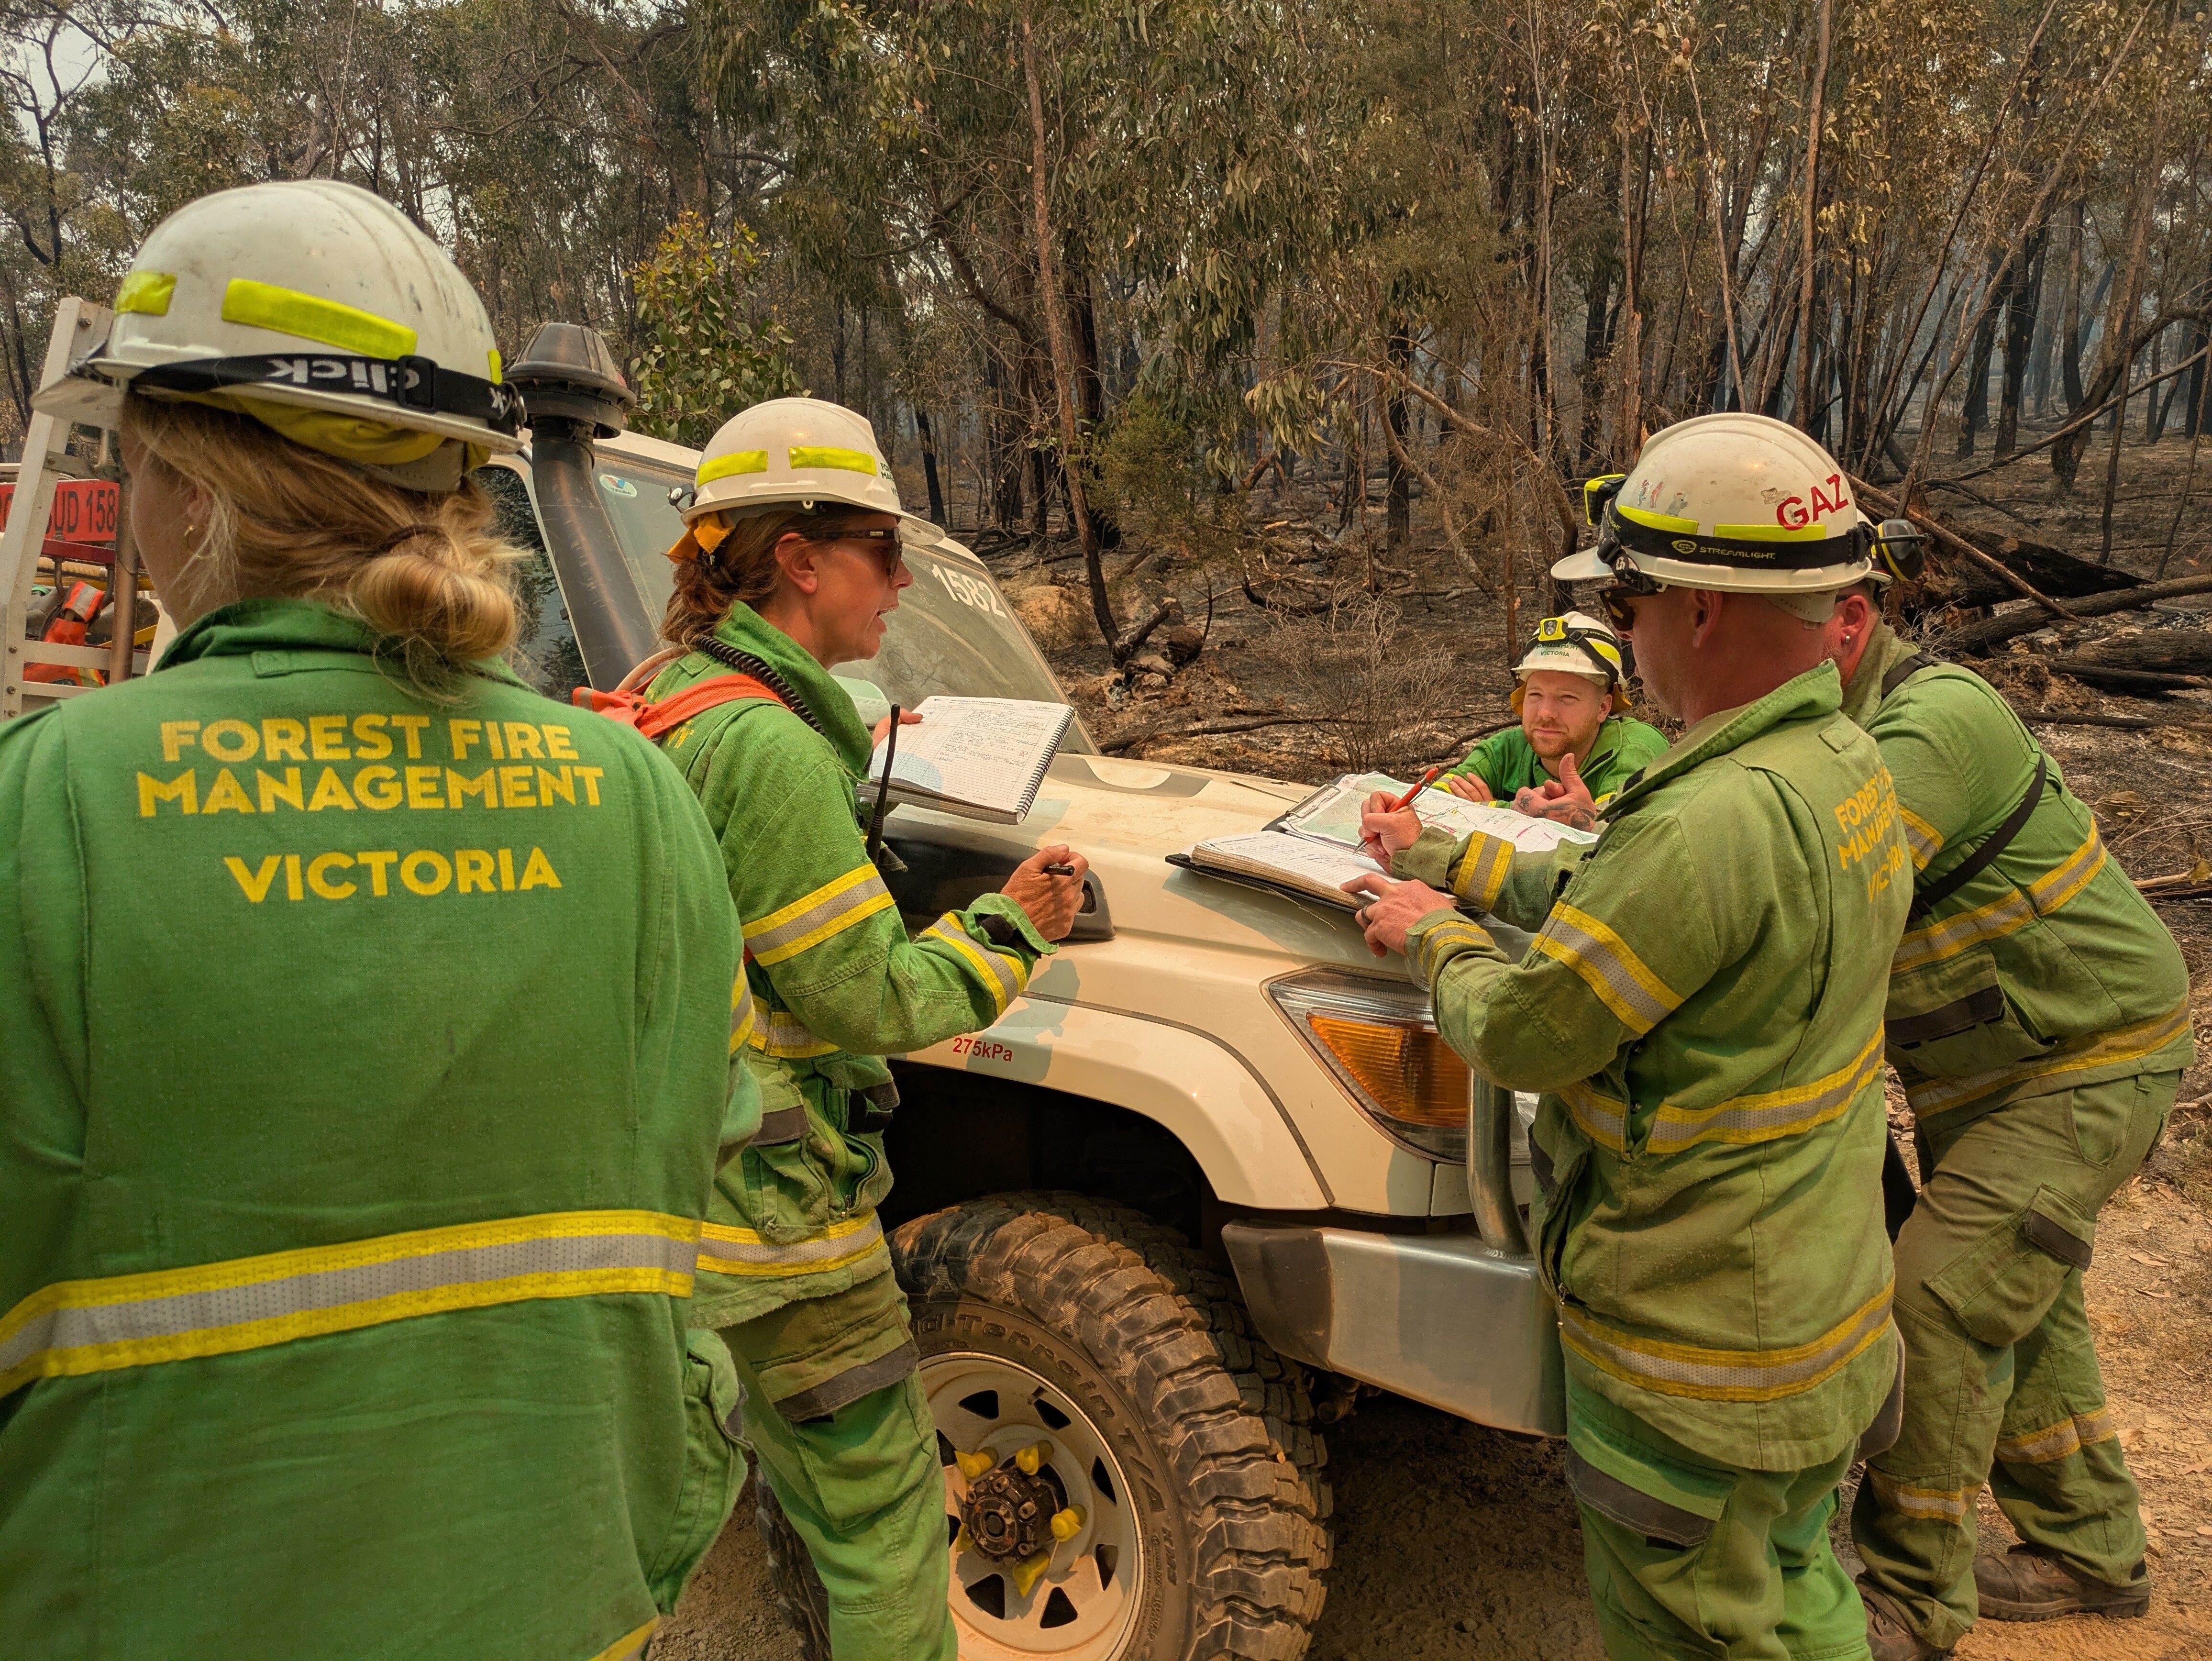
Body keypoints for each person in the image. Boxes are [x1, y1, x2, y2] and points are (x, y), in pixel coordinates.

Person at [0, 180, 753, 1658]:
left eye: (138, 460)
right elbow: (691, 1170)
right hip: (569, 1605)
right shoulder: (637, 795)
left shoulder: (48, 810)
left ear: (192, 492)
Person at [1349, 413, 1913, 1661]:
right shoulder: (1842, 764)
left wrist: (1427, 929)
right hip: (1816, 1321)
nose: (1622, 631)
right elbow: (1653, 918)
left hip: (1695, 1357)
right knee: (1798, 1592)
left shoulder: (1706, 816)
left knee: (1693, 1629)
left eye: (1627, 600)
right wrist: (1441, 848)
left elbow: (1529, 1032)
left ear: (1697, 611)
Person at [644, 398, 1091, 1661]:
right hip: (782, 1216)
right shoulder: (776, 756)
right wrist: (1011, 926)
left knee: (720, 1484)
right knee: (888, 1521)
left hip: (683, 1192)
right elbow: (869, 1000)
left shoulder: (669, 702)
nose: (901, 580)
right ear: (798, 561)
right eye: (881, 552)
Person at [1821, 570, 2191, 1659]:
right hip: (1991, 1076)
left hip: (2083, 1062)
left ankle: (1907, 1599)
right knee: (2018, 1296)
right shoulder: (1835, 732)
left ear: (1845, 625)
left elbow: (1806, 890)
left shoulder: (1927, 726)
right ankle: (2087, 1545)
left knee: (1934, 1299)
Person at [1439, 610, 1668, 829]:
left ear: (1603, 707)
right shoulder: (1504, 750)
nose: (1545, 713)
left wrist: (1487, 811)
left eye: (1567, 698)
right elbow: (1429, 804)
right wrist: (1507, 810)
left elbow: (1615, 836)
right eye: (1535, 695)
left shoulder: (1634, 748)